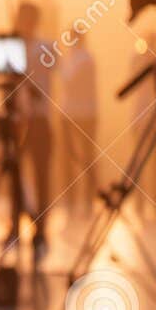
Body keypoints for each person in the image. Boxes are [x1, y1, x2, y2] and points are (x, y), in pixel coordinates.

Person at [13, 1, 56, 254]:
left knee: (42, 178)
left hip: (39, 120)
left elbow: (48, 69)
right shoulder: (13, 46)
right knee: (15, 176)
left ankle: (41, 228)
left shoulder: (45, 47)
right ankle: (16, 225)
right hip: (18, 120)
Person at [56, 29, 100, 218]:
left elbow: (71, 83)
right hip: (70, 113)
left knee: (86, 158)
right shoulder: (71, 59)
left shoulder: (85, 59)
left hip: (84, 113)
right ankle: (71, 201)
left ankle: (88, 200)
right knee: (69, 159)